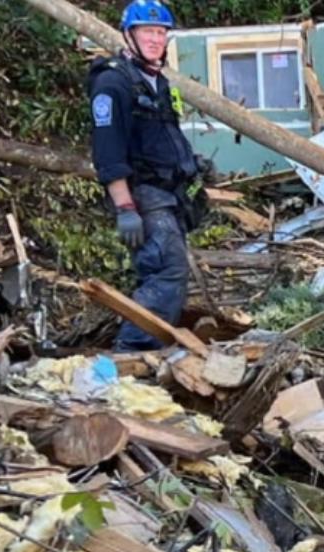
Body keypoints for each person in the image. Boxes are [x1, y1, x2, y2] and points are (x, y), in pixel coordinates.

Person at [88, 0, 201, 352]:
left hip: (170, 195)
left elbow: (163, 138)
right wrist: (124, 207)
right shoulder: (113, 83)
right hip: (143, 195)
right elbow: (108, 151)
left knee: (169, 272)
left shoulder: (157, 83)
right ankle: (133, 352)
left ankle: (152, 349)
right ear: (129, 34)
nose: (156, 39)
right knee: (168, 270)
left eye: (161, 32)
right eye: (148, 31)